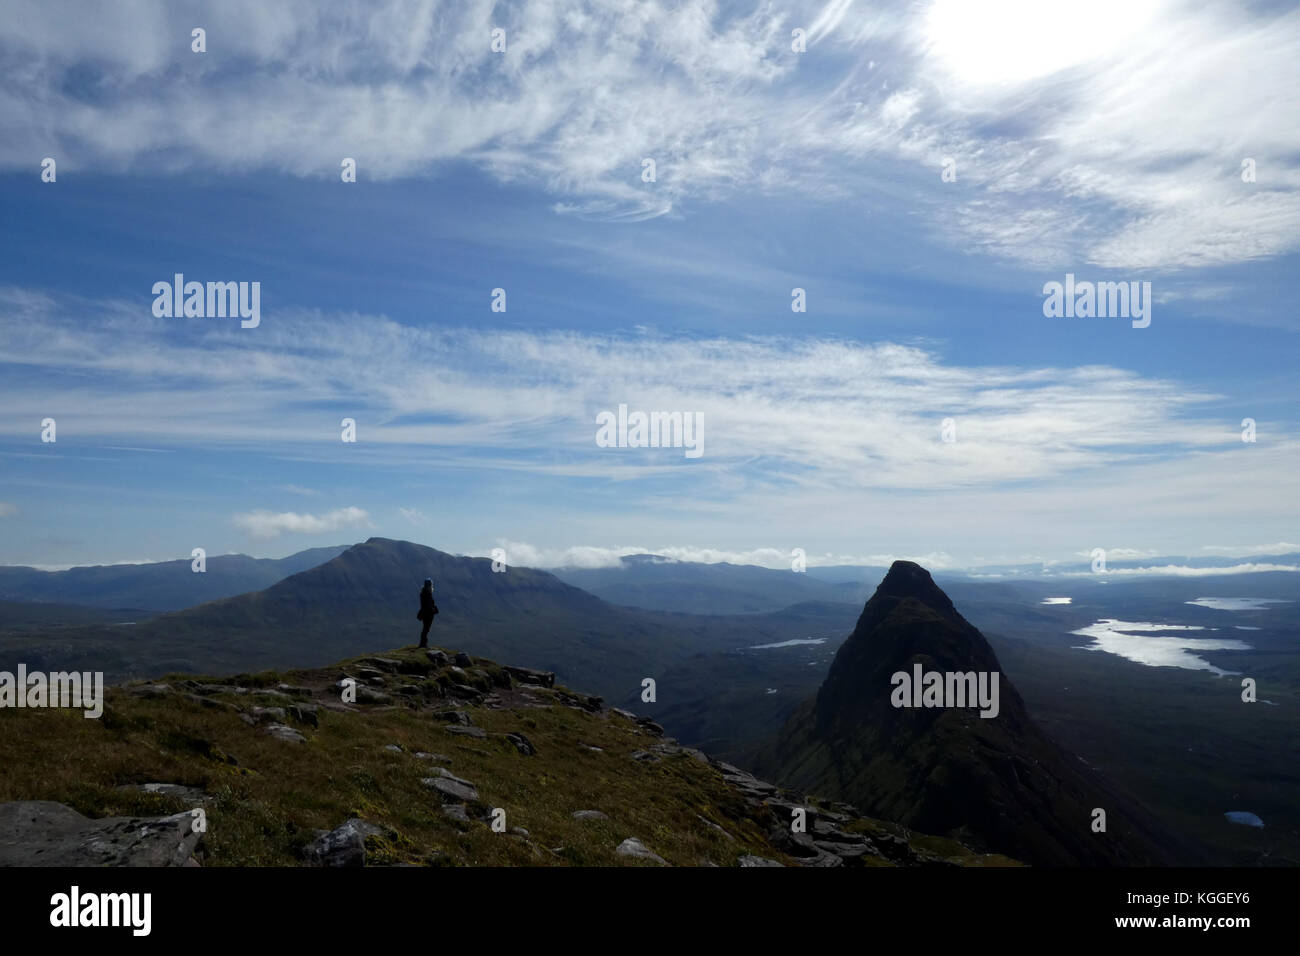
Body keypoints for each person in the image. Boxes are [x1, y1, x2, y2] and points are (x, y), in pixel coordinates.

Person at [416, 579, 438, 648]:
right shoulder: (427, 594)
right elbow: (428, 605)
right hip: (428, 614)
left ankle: (423, 643)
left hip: (425, 613)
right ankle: (423, 644)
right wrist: (433, 610)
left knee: (425, 629)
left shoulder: (424, 593)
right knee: (426, 629)